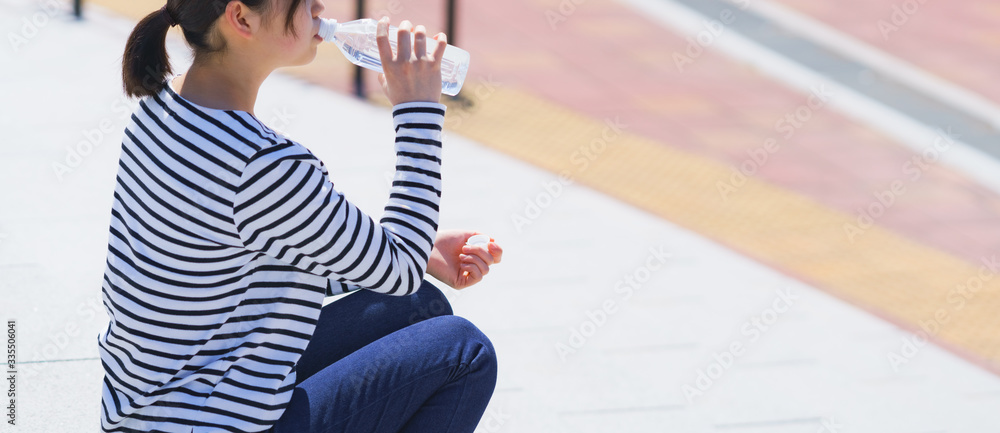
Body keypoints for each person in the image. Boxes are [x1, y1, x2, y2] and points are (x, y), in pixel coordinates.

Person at [99, 0, 503, 431]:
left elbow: (239, 262)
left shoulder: (161, 106)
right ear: (241, 17)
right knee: (466, 351)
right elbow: (398, 268)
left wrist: (422, 254)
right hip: (215, 418)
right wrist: (418, 110)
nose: (320, 6)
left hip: (155, 407)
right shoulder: (262, 164)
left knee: (420, 306)